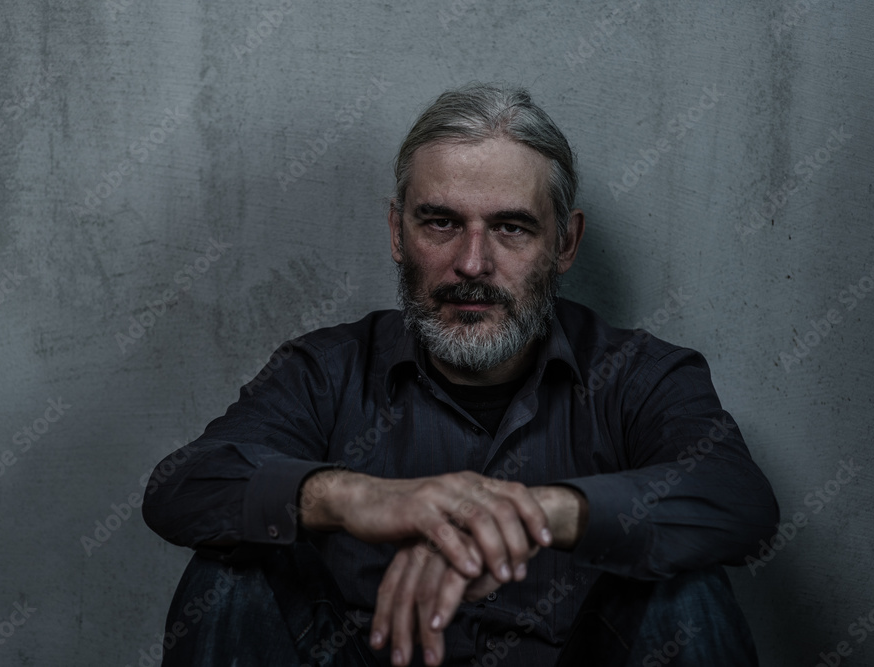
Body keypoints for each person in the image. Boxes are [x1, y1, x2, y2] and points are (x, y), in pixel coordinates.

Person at [142, 82, 779, 667]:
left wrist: (531, 514)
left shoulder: (640, 374)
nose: (472, 263)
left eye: (511, 227)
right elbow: (183, 486)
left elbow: (737, 500)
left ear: (564, 244)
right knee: (229, 573)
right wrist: (357, 498)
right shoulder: (325, 370)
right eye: (441, 222)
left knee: (685, 591)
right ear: (398, 231)